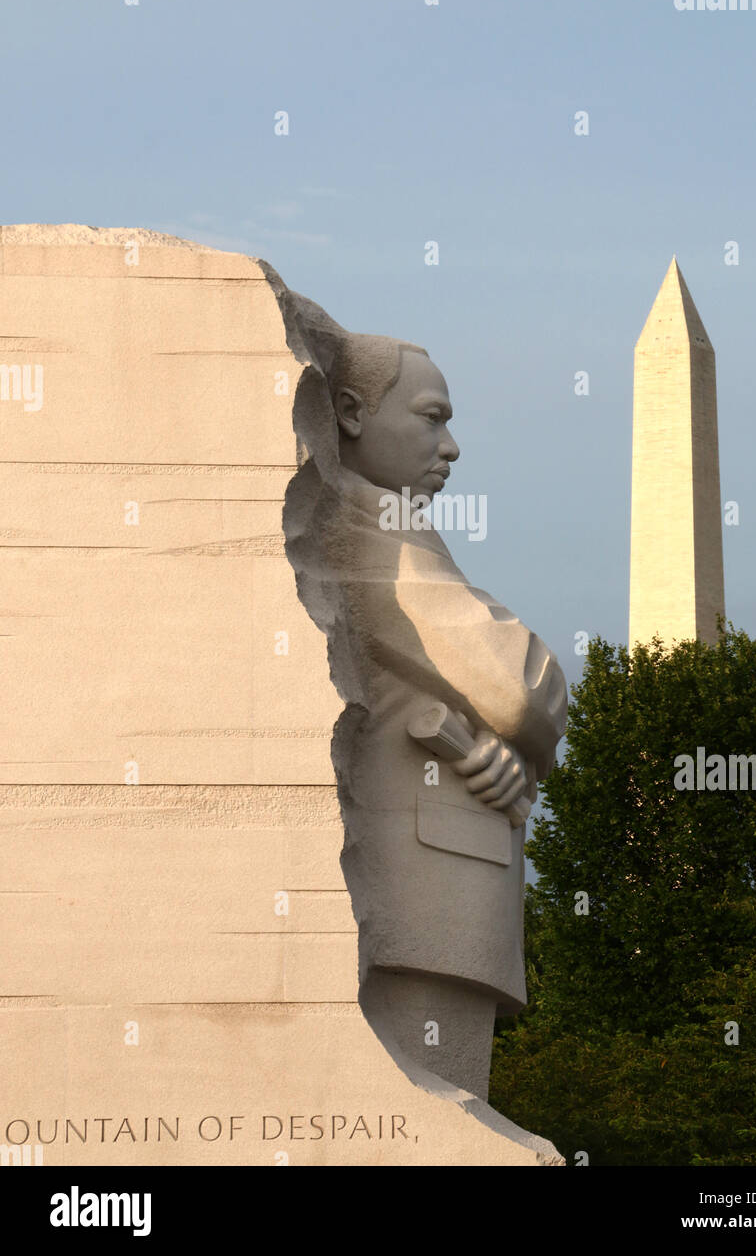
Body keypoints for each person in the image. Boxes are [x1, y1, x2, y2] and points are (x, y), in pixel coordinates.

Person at [296, 328, 567, 1099]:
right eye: (430, 417)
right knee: (428, 1121)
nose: (450, 447)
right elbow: (516, 685)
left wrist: (504, 752)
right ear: (350, 412)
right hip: (428, 883)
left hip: (436, 871)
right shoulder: (372, 522)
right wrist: (527, 722)